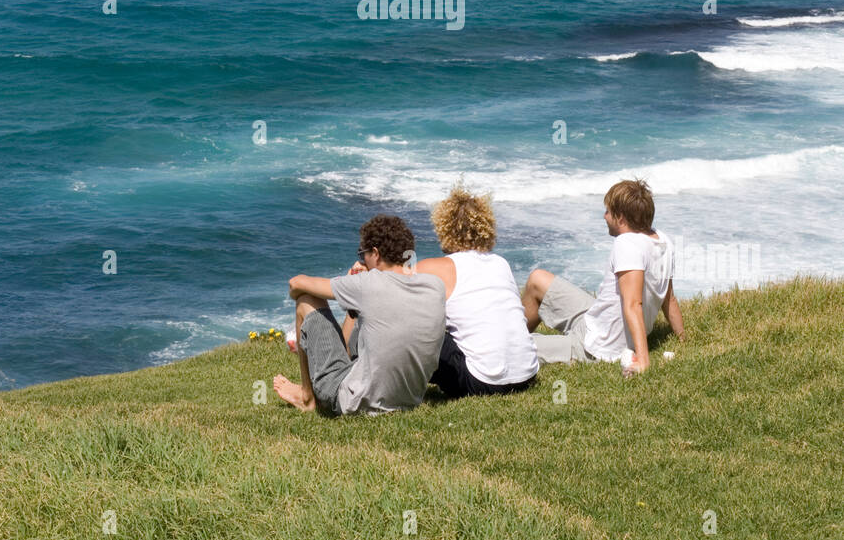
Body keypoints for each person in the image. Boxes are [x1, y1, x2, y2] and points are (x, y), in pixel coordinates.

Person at [273, 214, 446, 415]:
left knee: (306, 300)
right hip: (409, 400)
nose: (362, 259)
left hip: (357, 403)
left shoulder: (368, 284)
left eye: (362, 254)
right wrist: (353, 299)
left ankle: (306, 397)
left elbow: (297, 283)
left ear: (375, 253)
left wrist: (353, 283)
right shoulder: (434, 285)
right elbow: (347, 349)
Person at [522, 178, 685, 372]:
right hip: (595, 319)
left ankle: (513, 345)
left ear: (622, 218)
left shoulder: (627, 244)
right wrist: (683, 339)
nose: (604, 216)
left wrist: (643, 360)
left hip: (596, 347)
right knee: (537, 279)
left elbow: (633, 304)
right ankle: (520, 333)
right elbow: (669, 298)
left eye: (608, 211)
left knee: (510, 346)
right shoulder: (663, 241)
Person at [419, 184, 539, 398]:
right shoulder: (500, 263)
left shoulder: (434, 267)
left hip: (482, 382)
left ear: (443, 227)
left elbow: (393, 291)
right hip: (527, 375)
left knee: (416, 327)